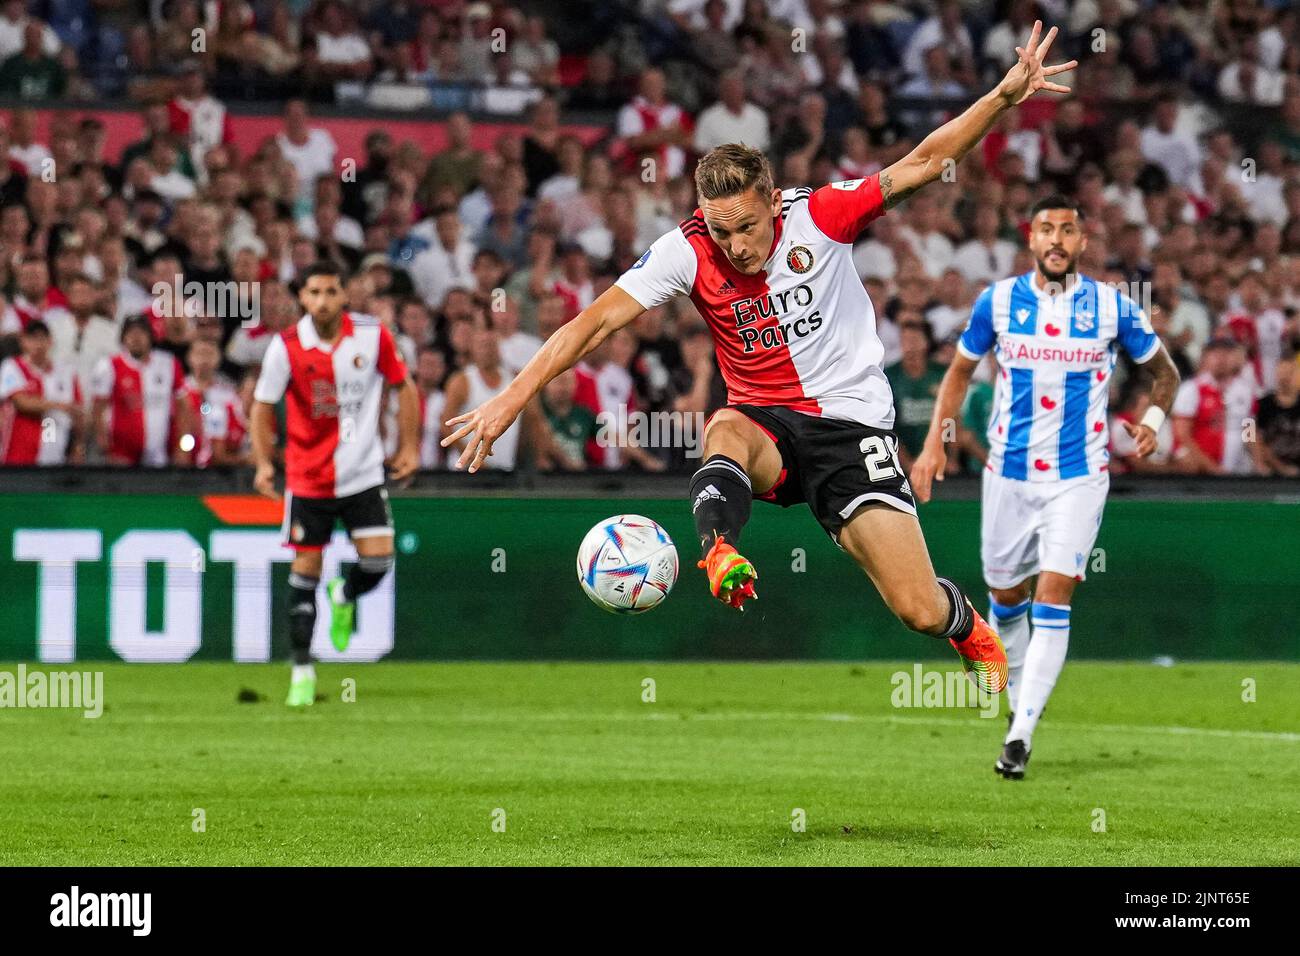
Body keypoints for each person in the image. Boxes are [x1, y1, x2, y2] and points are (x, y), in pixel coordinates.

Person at [443, 20, 1081, 696]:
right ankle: (719, 550)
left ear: (774, 203)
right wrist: (512, 397)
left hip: (853, 423)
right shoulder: (685, 250)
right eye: (722, 230)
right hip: (764, 423)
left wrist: (1002, 98)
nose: (736, 245)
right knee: (724, 427)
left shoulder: (824, 216)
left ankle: (965, 626)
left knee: (916, 609)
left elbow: (923, 161)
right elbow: (592, 323)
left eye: (747, 227)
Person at [910, 195, 1181, 779]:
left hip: (1080, 476)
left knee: (1055, 593)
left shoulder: (1113, 309)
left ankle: (1020, 735)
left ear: (1083, 243)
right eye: (1046, 230)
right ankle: (1017, 709)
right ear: (1030, 240)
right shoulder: (999, 302)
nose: (1057, 240)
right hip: (1007, 475)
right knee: (1006, 597)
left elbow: (1165, 372)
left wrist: (1153, 424)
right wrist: (936, 443)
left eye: (1068, 231)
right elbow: (958, 372)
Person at [250, 263, 419, 708]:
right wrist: (265, 463)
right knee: (304, 573)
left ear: (345, 295)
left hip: (363, 473)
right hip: (309, 478)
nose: (322, 300)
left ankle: (343, 595)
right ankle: (302, 671)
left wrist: (410, 447)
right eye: (313, 292)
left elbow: (405, 387)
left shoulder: (372, 334)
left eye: (330, 291)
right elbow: (262, 408)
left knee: (379, 564)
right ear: (301, 299)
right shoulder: (285, 348)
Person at [90, 315, 193, 467]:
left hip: (159, 454)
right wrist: (104, 444)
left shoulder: (169, 364)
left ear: (151, 336)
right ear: (123, 338)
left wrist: (183, 448)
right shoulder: (109, 366)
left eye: (141, 333)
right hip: (120, 453)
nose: (136, 338)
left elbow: (183, 408)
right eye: (131, 333)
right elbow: (98, 409)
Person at [0, 319, 83, 464]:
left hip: (54, 450)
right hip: (18, 454)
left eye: (42, 338)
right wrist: (59, 406)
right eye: (32, 338)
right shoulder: (12, 367)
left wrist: (77, 446)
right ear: (23, 341)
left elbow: (77, 412)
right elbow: (21, 402)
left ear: (50, 341)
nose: (38, 344)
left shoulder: (65, 373)